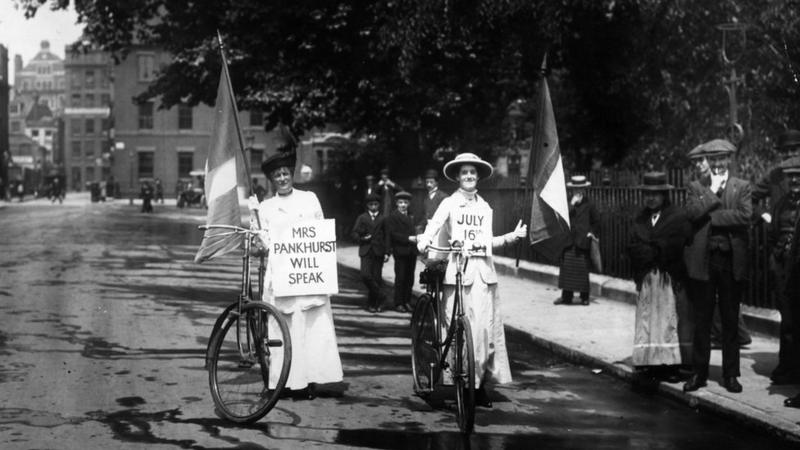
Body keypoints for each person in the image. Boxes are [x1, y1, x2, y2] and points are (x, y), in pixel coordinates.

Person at [416, 152, 527, 408]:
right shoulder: (450, 203)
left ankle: (477, 385)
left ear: (478, 177)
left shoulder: (484, 207)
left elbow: (487, 242)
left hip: (483, 274)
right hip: (458, 271)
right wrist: (425, 240)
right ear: (457, 177)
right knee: (457, 330)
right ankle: (460, 381)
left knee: (484, 332)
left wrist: (512, 236)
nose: (468, 176)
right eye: (464, 172)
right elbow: (434, 225)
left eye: (472, 172)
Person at [251, 151, 343, 398]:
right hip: (281, 279)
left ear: (291, 175)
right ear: (271, 180)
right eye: (277, 175)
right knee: (283, 330)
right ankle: (283, 382)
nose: (282, 178)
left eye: (285, 174)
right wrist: (259, 238)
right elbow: (260, 243)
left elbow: (320, 232)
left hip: (308, 276)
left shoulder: (309, 199)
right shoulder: (265, 208)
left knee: (312, 329)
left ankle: (311, 379)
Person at [683, 139, 751, 394]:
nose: (718, 163)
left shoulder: (741, 186)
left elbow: (745, 216)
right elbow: (692, 214)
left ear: (729, 160)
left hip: (731, 260)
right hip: (704, 260)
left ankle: (731, 374)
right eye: (713, 159)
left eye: (722, 158)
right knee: (702, 319)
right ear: (708, 161)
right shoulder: (696, 187)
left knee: (730, 319)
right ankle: (698, 373)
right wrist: (712, 192)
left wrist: (711, 217)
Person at [627, 171, 693, 382]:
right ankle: (648, 363)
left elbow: (677, 244)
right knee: (647, 320)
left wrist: (655, 250)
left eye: (655, 194)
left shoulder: (676, 216)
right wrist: (647, 253)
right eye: (647, 194)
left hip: (667, 277)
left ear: (664, 195)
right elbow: (632, 245)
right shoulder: (640, 218)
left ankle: (668, 365)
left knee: (666, 321)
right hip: (647, 277)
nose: (651, 198)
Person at [754, 130, 800, 384]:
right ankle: (787, 367)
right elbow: (750, 197)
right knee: (788, 316)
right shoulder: (774, 176)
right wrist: (765, 215)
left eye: (795, 150)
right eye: (786, 152)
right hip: (782, 257)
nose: (790, 155)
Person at [767, 156, 800, 387]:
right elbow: (772, 235)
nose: (795, 180)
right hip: (783, 268)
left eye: (799, 176)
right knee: (787, 319)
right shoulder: (781, 204)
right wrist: (775, 260)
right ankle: (787, 367)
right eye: (791, 177)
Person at [554, 175, 600, 306]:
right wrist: (571, 204)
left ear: (585, 189)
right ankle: (566, 297)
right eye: (575, 189)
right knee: (567, 269)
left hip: (583, 241)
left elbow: (596, 221)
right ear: (572, 190)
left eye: (581, 189)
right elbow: (561, 218)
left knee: (582, 270)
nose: (578, 191)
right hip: (569, 241)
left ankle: (584, 297)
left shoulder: (589, 204)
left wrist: (591, 233)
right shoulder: (568, 203)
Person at [351, 192, 389, 312]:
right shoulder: (362, 218)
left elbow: (387, 236)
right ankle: (382, 295)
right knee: (365, 275)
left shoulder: (383, 218)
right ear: (367, 205)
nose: (373, 207)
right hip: (366, 250)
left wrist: (387, 252)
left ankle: (373, 304)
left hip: (378, 251)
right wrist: (362, 238)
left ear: (379, 205)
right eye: (371, 204)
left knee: (376, 278)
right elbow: (354, 233)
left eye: (375, 204)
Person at [383, 191, 418, 313]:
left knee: (410, 278)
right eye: (401, 202)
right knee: (401, 278)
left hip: (412, 251)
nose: (403, 205)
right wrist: (407, 238)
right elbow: (392, 234)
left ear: (409, 204)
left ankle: (407, 301)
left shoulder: (411, 216)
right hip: (401, 251)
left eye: (406, 203)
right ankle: (398, 303)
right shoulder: (392, 217)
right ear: (397, 203)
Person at [417, 169, 449, 233]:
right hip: (428, 229)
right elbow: (425, 215)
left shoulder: (443, 196)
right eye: (427, 182)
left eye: (431, 182)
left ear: (436, 183)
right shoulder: (426, 198)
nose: (428, 184)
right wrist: (420, 225)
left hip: (440, 229)